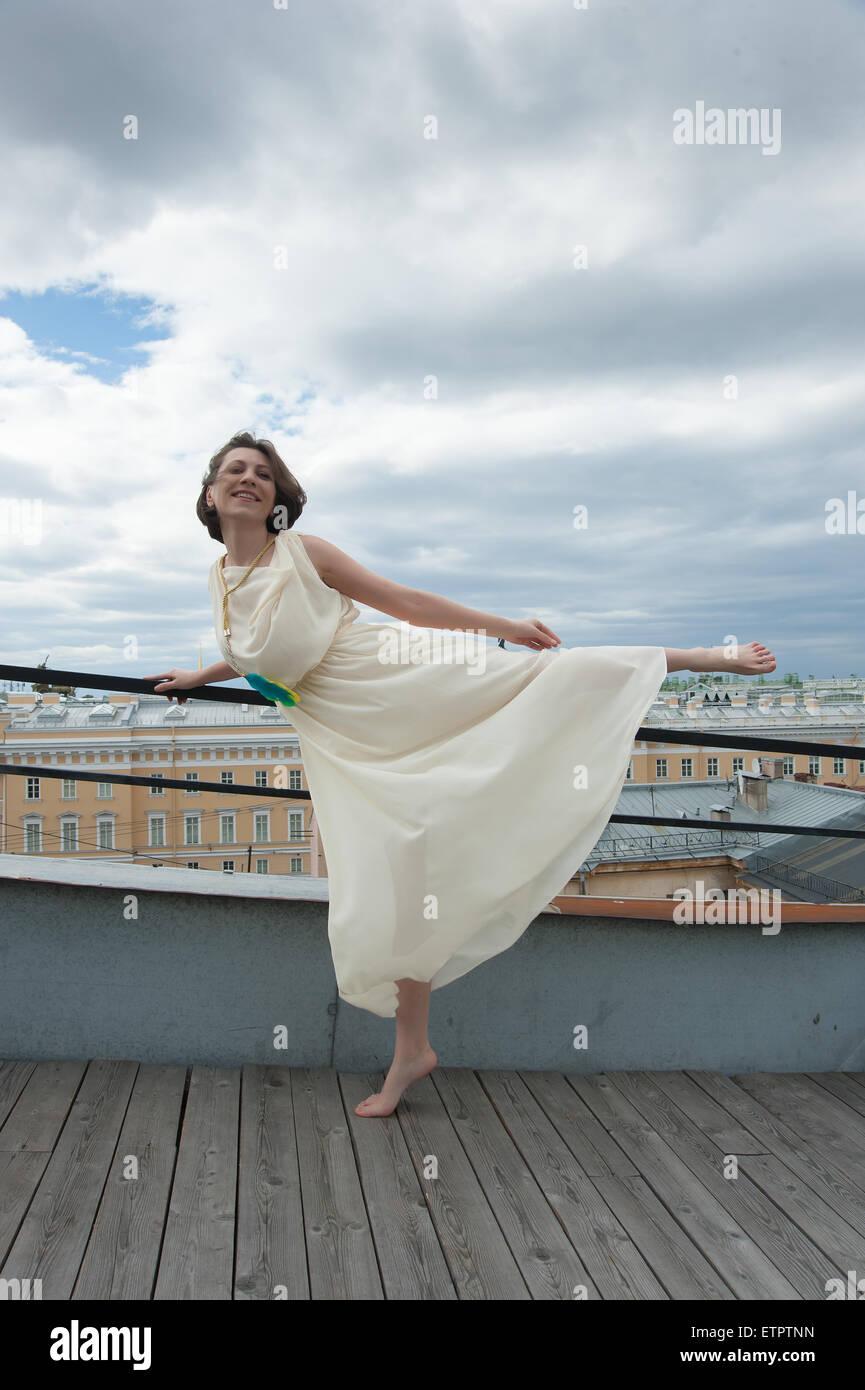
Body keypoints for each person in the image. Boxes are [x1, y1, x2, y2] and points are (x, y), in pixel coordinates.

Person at [148, 432, 776, 1118]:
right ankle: (410, 1050)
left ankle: (701, 658)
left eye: (262, 473)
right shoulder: (221, 579)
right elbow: (257, 657)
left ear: (277, 496)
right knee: (401, 869)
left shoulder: (303, 551)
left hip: (399, 678)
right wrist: (199, 676)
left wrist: (501, 625)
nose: (249, 479)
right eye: (235, 471)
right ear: (211, 495)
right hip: (344, 735)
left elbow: (403, 601)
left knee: (548, 675)